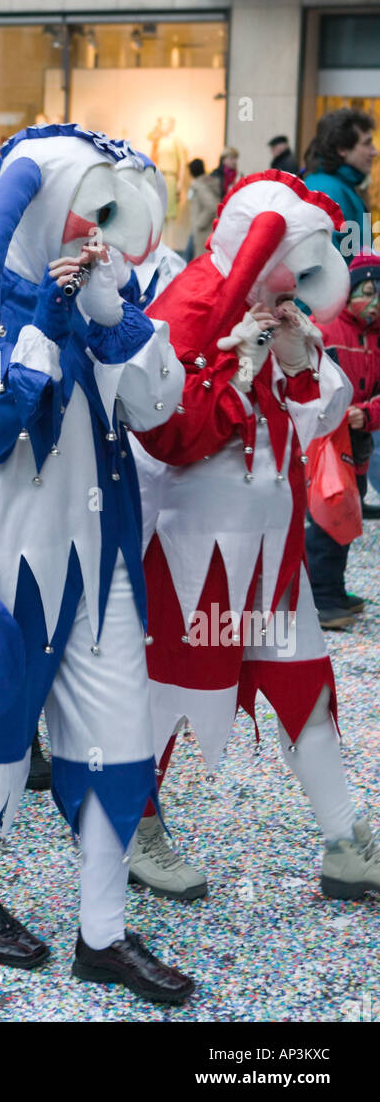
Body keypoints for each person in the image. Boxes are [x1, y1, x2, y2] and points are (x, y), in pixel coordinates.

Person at [0, 124, 194, 1004]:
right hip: (11, 568)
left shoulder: (102, 301)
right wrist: (38, 329)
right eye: (84, 215)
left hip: (102, 564)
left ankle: (103, 935)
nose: (95, 236)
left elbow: (159, 411)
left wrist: (118, 317)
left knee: (116, 749)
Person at [129, 169, 380, 902]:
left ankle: (342, 839)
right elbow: (165, 435)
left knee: (306, 684)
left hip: (270, 544)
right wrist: (234, 374)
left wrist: (300, 360)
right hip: (193, 548)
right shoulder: (190, 305)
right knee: (168, 694)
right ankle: (134, 827)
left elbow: (314, 419)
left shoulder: (272, 308)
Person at [306, 251, 380, 626]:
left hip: (359, 446)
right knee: (324, 519)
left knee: (347, 519)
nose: (375, 303)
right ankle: (318, 596)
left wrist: (366, 414)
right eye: (367, 292)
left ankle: (332, 588)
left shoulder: (377, 339)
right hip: (327, 448)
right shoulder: (327, 328)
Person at [304, 108, 377, 256]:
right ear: (342, 148)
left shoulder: (343, 186)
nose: (374, 151)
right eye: (367, 143)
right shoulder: (327, 192)